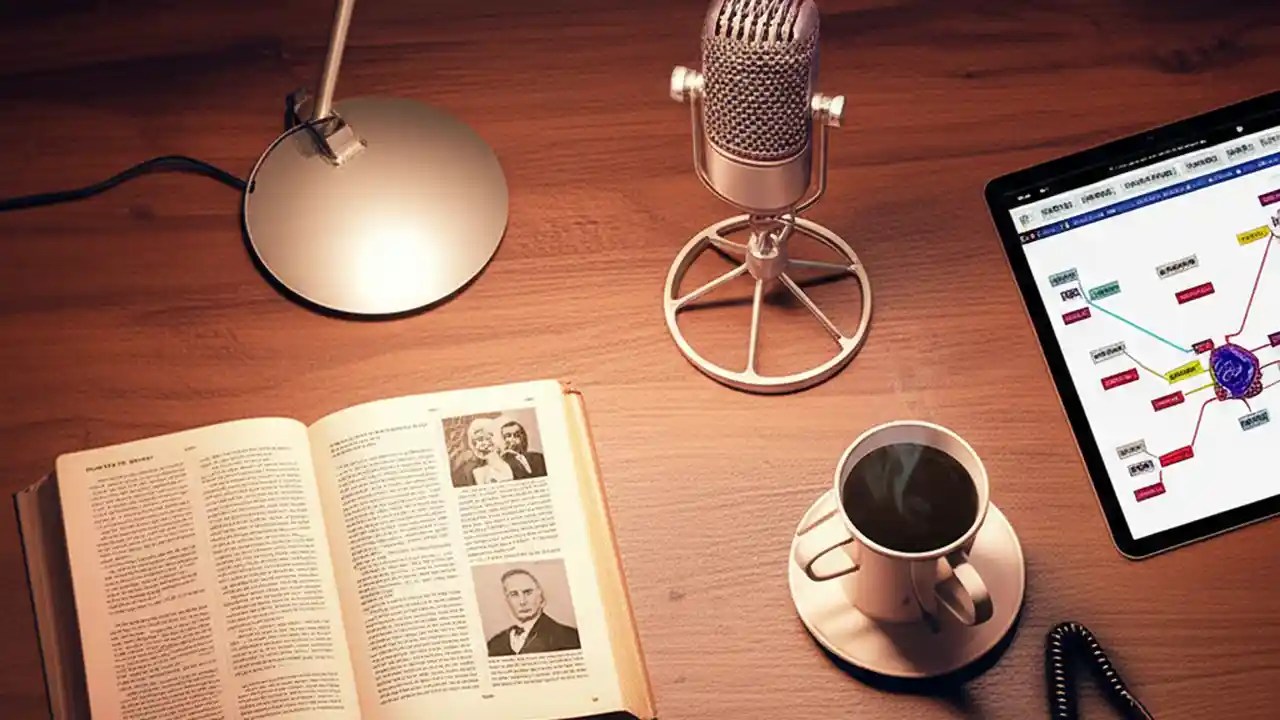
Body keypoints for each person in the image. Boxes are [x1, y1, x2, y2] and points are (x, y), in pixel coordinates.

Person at [486, 569, 580, 656]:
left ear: (541, 597)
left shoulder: (569, 637)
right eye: (514, 594)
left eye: (528, 592)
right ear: (507, 600)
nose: (522, 601)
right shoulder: (494, 644)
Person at [461, 418, 514, 486]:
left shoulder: (511, 462)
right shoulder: (477, 472)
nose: (484, 443)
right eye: (479, 440)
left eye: (488, 438)